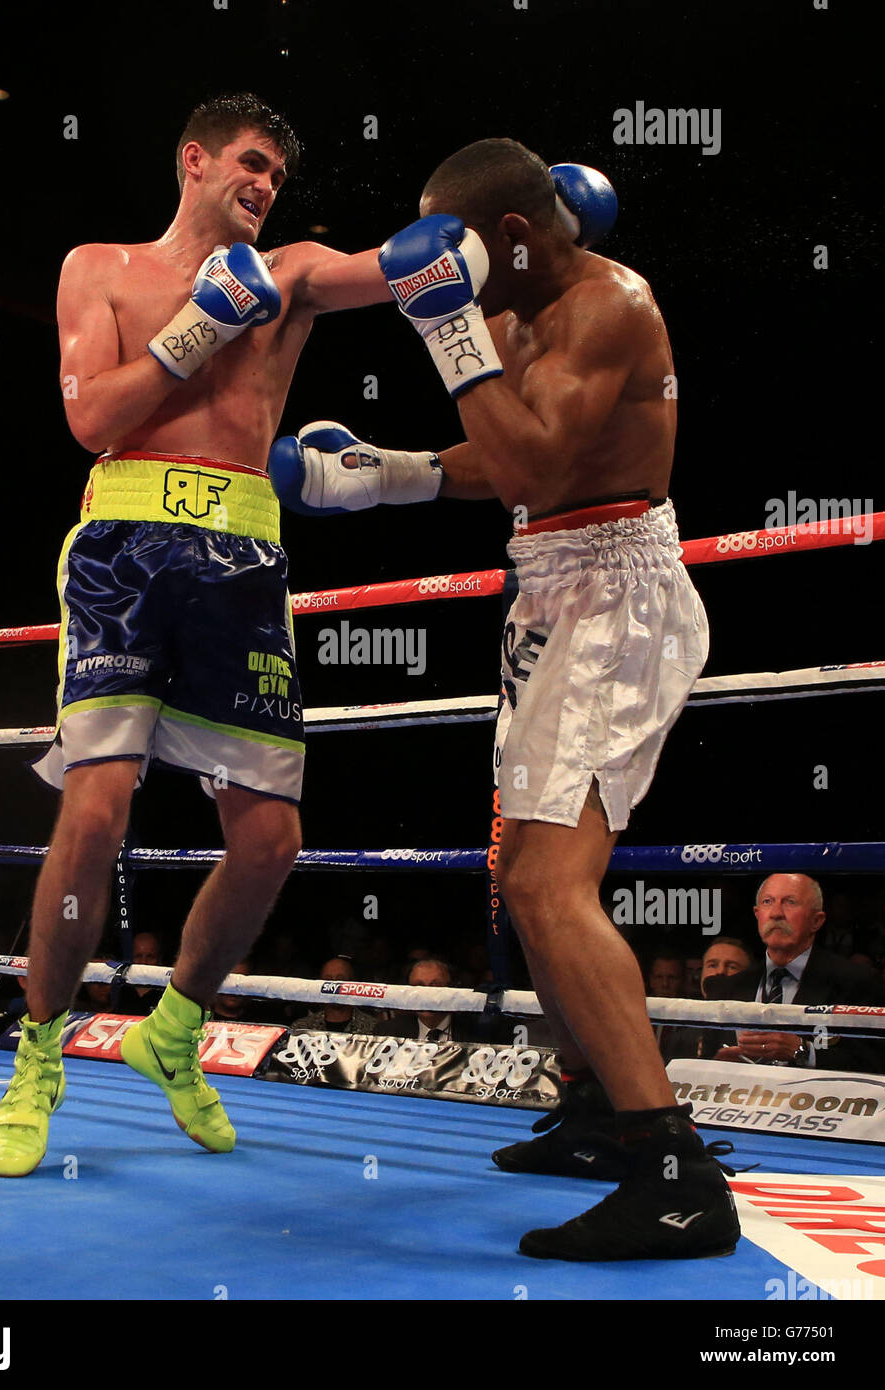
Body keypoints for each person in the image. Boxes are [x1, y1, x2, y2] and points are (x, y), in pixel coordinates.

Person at [270, 141, 738, 1260]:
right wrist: (394, 472)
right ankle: (593, 1112)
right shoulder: (523, 317)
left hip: (615, 594)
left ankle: (671, 1170)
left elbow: (535, 464)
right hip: (552, 588)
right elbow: (508, 452)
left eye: (464, 250)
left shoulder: (608, 305)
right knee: (519, 872)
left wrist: (445, 330)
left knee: (546, 873)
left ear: (514, 236)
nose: (454, 276)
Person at [0, 92, 393, 1178]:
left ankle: (175, 1027)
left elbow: (401, 267)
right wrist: (199, 323)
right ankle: (39, 1054)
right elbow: (91, 418)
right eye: (250, 163)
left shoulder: (294, 270)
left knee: (270, 841)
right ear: (194, 159)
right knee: (98, 810)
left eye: (278, 177)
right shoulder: (100, 268)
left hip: (243, 558)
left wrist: (489, 229)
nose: (263, 185)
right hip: (124, 548)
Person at [698, 874, 885, 1073]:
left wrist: (804, 1052)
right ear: (757, 914)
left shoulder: (854, 983)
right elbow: (705, 1060)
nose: (776, 913)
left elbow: (873, 1061)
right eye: (768, 902)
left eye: (790, 902)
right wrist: (719, 1064)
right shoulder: (728, 988)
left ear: (816, 920)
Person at [292, 957, 379, 1035]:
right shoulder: (302, 1029)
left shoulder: (373, 1029)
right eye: (328, 980)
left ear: (353, 983)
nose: (334, 986)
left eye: (340, 979)